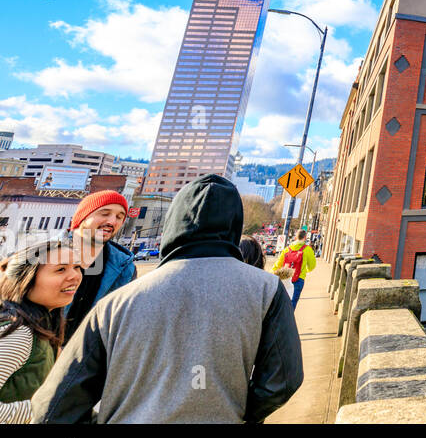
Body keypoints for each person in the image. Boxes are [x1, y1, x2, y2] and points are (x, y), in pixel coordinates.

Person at [32, 174, 304, 424]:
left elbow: (54, 405)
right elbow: (283, 380)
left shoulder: (115, 304)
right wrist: (236, 410)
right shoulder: (267, 289)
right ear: (234, 225)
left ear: (174, 221)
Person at [1, 236, 83, 423]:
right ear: (26, 279)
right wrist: (47, 408)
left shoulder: (41, 325)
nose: (75, 276)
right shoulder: (19, 333)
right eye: (60, 269)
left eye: (77, 267)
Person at [62, 190, 136, 338]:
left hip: (82, 355)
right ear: (83, 216)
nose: (112, 221)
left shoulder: (125, 269)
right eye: (104, 213)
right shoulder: (43, 253)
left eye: (120, 217)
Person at [272, 228, 317, 310]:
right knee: (292, 302)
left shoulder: (287, 249)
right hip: (299, 279)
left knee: (281, 301)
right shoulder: (307, 250)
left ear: (295, 237)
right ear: (305, 237)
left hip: (285, 278)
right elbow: (312, 266)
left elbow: (277, 265)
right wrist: (304, 271)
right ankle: (288, 320)